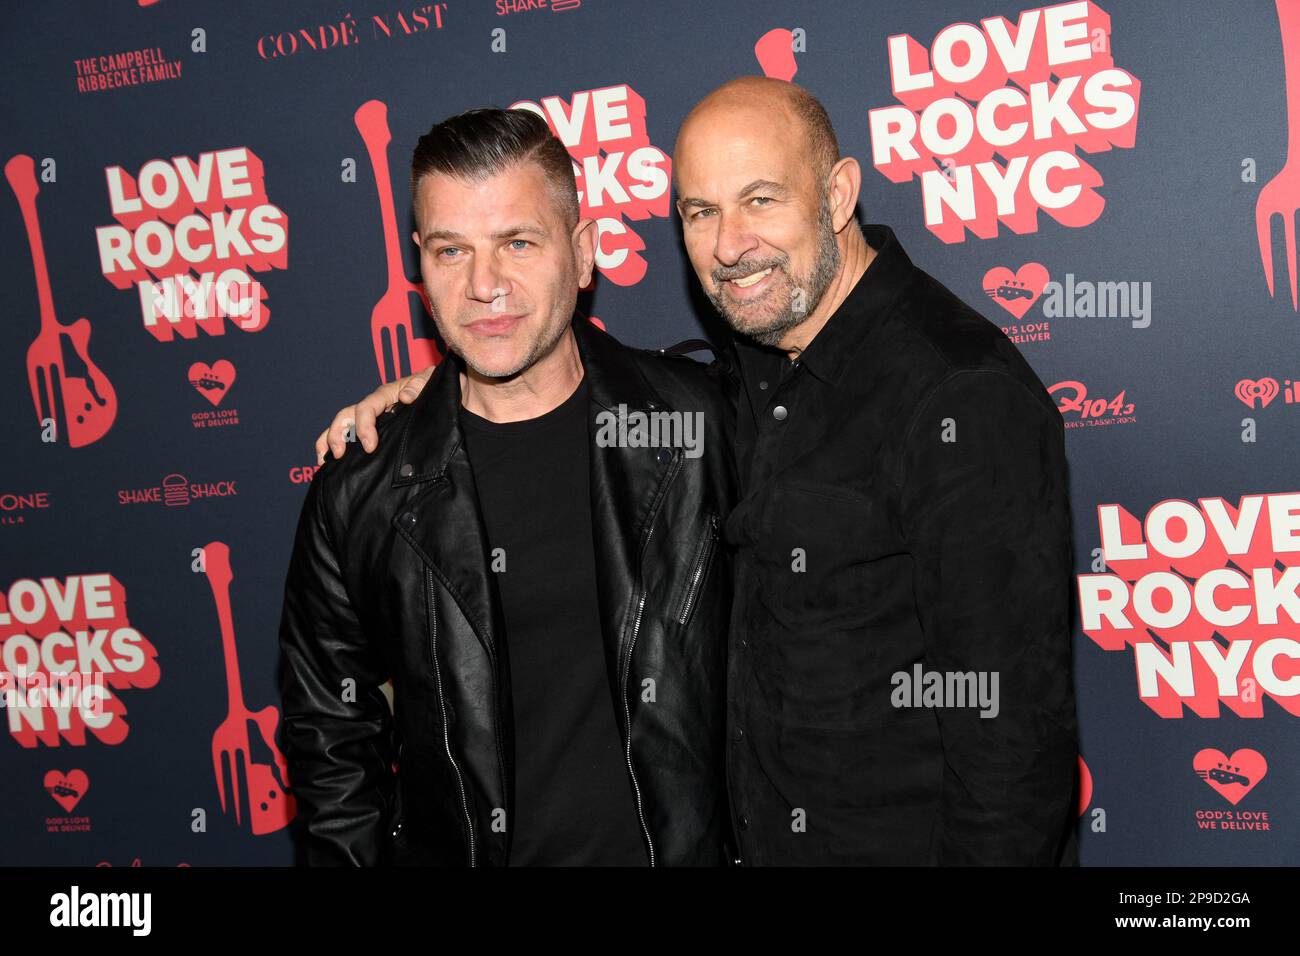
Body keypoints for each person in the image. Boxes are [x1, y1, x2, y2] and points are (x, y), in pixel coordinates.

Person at [316, 77, 1080, 866]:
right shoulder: (739, 383)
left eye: (761, 200)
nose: (728, 245)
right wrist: (439, 393)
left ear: (840, 193)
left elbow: (1013, 748)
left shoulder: (959, 395)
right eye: (700, 211)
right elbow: (332, 746)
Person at [280, 107, 737, 867]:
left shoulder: (701, 425)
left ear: (583, 254)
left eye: (518, 243)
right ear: (420, 270)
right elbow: (332, 751)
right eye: (451, 251)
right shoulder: (362, 489)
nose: (483, 285)